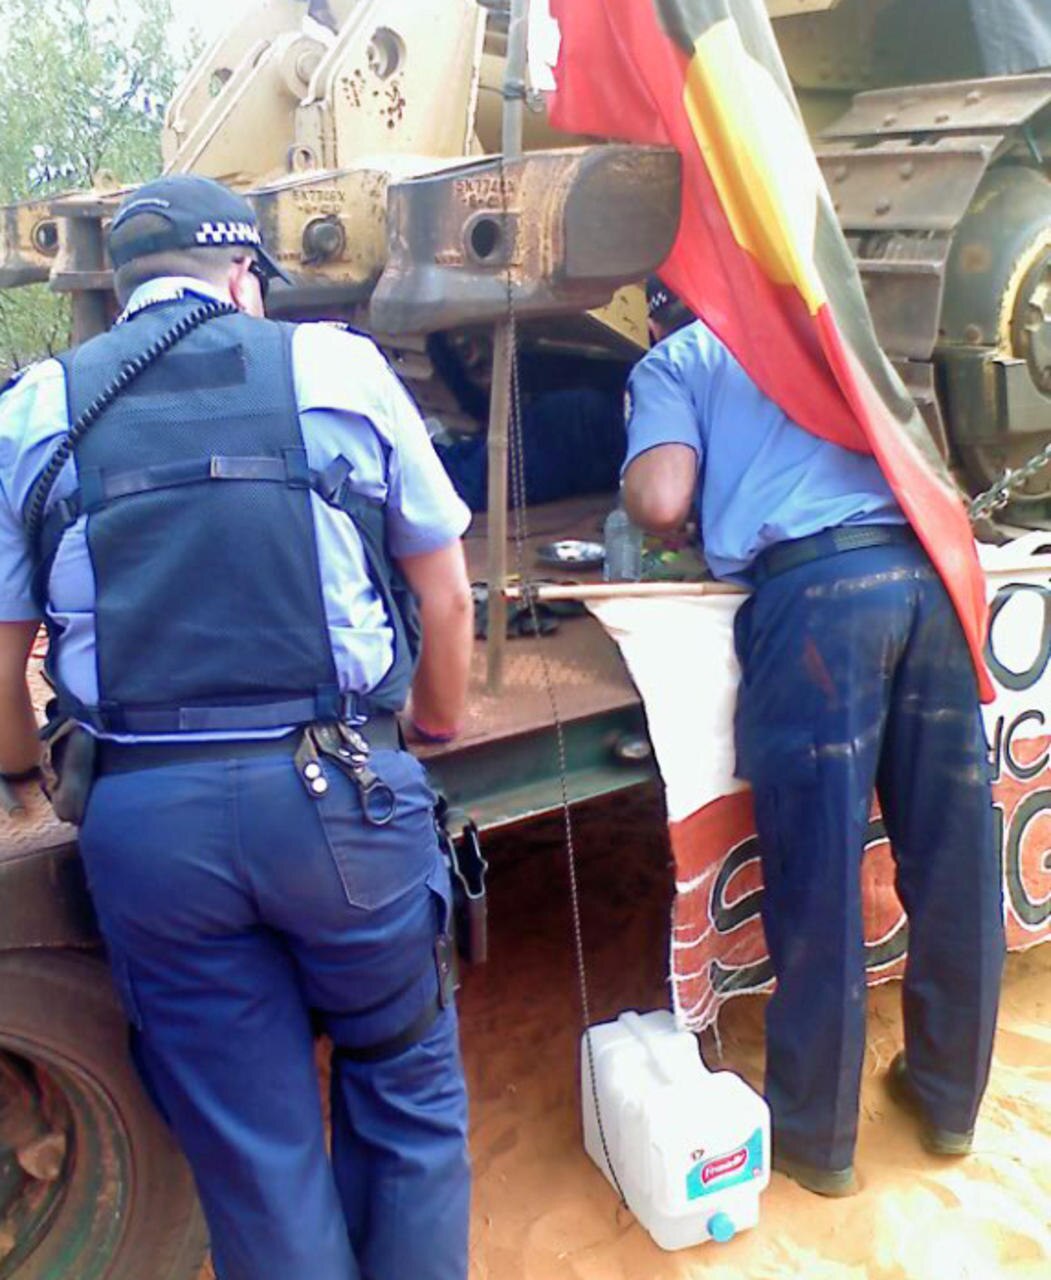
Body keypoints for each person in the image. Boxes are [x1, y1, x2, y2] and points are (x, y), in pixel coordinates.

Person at [0, 174, 475, 1279]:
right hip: (345, 804)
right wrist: (436, 724)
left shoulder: (36, 406)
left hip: (150, 828)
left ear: (121, 291)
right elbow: (443, 594)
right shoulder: (338, 366)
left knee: (255, 1148)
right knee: (403, 1084)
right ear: (241, 276)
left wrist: (21, 768)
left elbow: (5, 644)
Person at [622, 279, 1004, 1196]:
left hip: (818, 606)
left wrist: (656, 449)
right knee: (953, 858)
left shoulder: (677, 358)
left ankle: (816, 1138)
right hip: (928, 584)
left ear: (655, 308)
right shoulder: (833, 337)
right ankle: (949, 1102)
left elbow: (659, 501)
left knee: (819, 868)